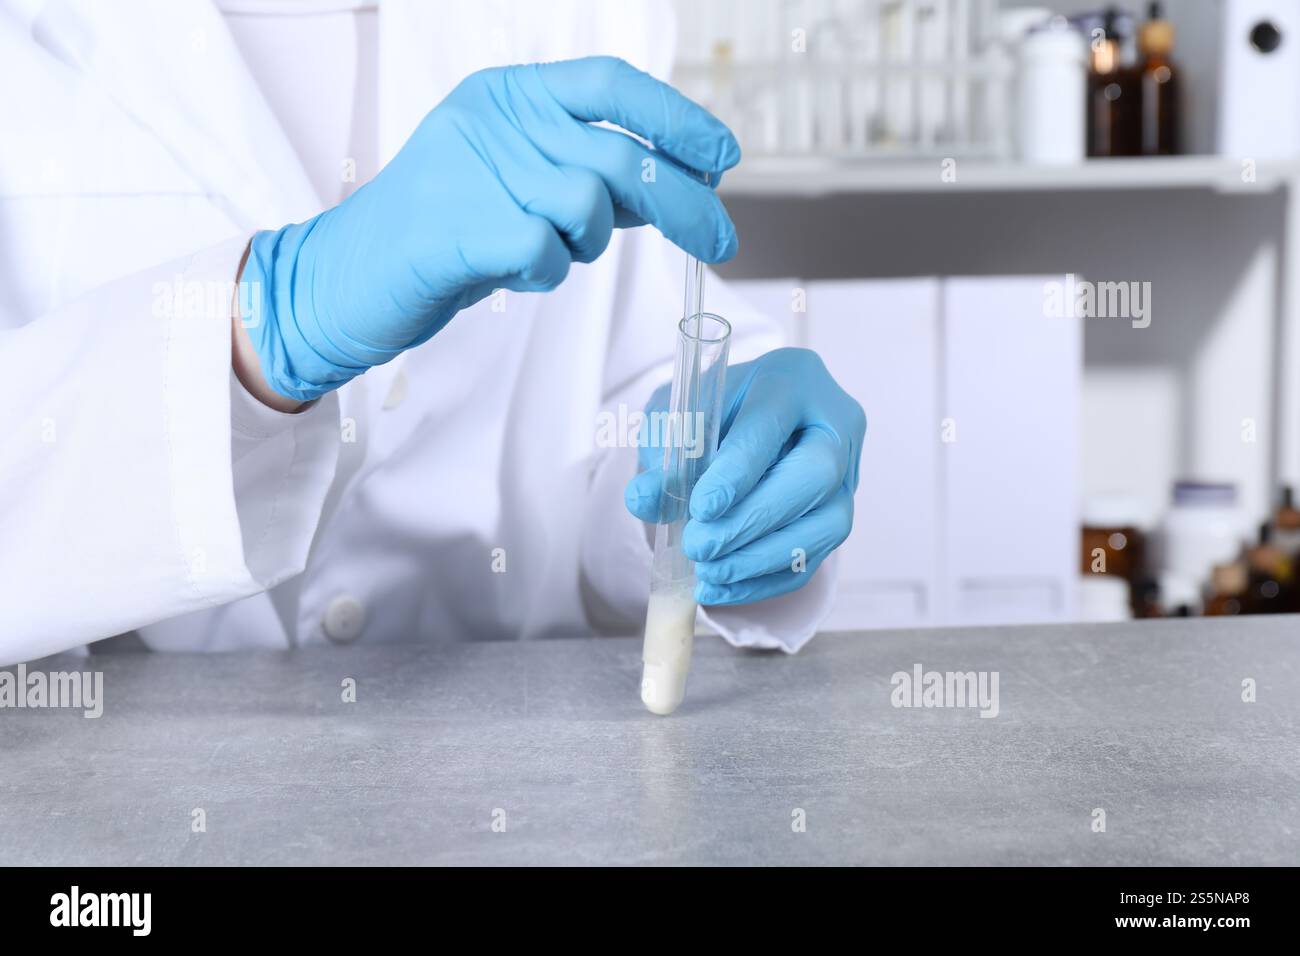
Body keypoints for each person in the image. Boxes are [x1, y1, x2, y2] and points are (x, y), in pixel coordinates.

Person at [0, 0, 864, 665]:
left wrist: (693, 487)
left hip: (507, 788)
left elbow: (604, 389)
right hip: (124, 804)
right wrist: (266, 326)